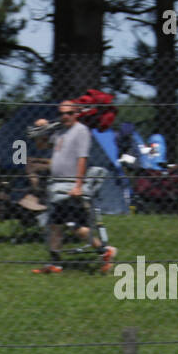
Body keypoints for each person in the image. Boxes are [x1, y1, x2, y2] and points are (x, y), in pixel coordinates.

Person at [31, 99, 117, 274]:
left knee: (77, 228)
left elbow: (82, 158)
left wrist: (78, 185)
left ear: (76, 113)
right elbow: (41, 145)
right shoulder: (60, 132)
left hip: (71, 186)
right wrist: (41, 129)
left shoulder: (81, 131)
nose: (65, 116)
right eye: (62, 113)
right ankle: (55, 263)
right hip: (57, 185)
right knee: (54, 224)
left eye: (69, 113)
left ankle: (105, 251)